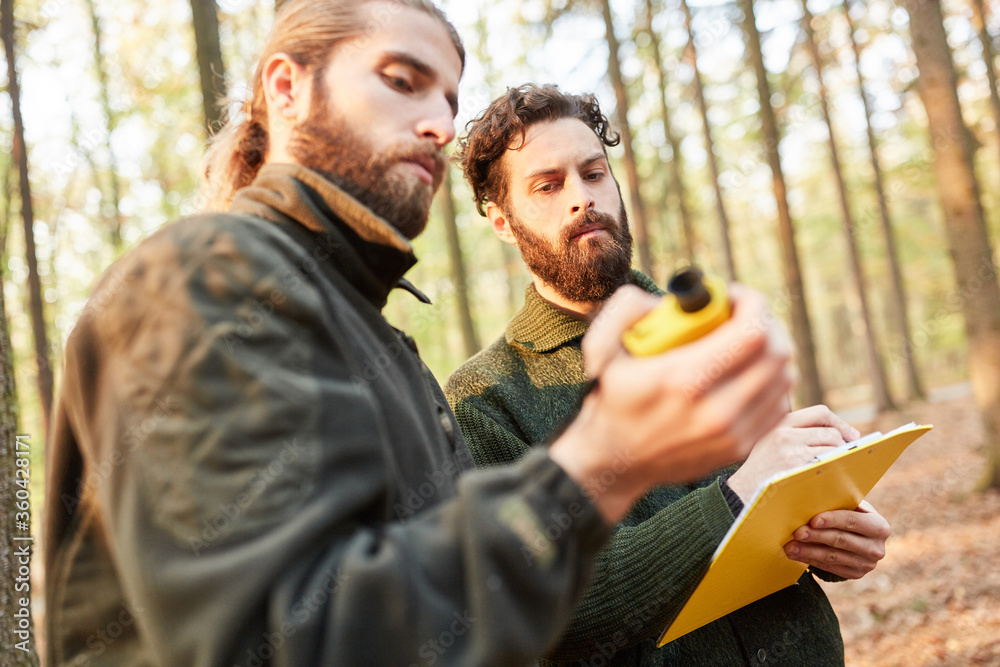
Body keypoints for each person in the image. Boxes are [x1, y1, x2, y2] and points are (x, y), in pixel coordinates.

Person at [43, 3, 798, 666]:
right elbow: (272, 640)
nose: (439, 121)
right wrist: (604, 459)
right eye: (402, 80)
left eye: (447, 95)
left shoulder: (373, 336)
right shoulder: (202, 282)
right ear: (287, 87)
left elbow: (451, 615)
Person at [446, 83, 891, 666]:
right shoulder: (481, 399)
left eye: (594, 172)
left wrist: (839, 539)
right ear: (503, 222)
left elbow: (785, 501)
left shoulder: (715, 324)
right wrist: (734, 497)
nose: (582, 198)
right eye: (548, 186)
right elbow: (549, 609)